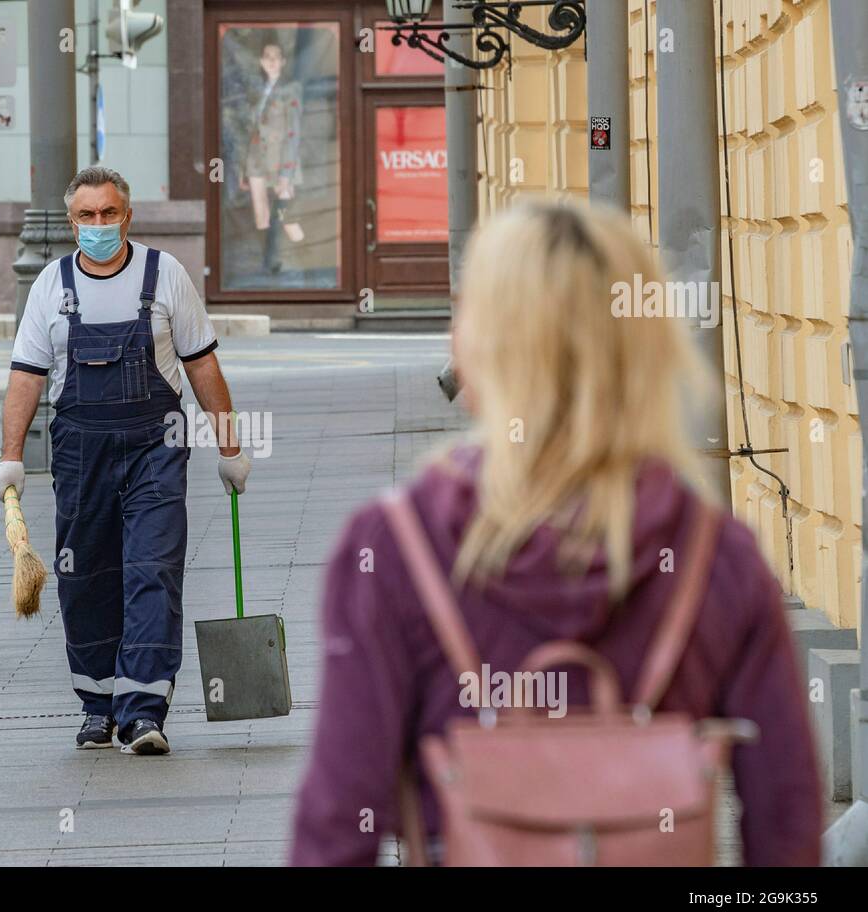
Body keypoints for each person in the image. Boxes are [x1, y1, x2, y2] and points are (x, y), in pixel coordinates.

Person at [290, 201, 821, 866]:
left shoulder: (396, 548)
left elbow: (339, 824)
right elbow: (786, 822)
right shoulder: (716, 556)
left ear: (481, 348)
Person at [0, 166, 252, 755]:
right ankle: (97, 703)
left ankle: (142, 712)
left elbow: (202, 365)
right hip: (80, 452)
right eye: (87, 216)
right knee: (83, 577)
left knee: (152, 571)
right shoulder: (50, 287)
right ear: (71, 223)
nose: (99, 225)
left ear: (127, 216)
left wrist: (230, 447)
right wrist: (10, 460)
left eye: (109, 214)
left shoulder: (165, 276)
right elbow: (26, 379)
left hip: (154, 447)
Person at [237, 39, 304, 275]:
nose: (272, 62)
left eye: (276, 57)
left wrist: (286, 172)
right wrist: (244, 172)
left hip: (280, 162)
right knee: (262, 217)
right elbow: (251, 132)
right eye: (267, 57)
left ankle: (298, 255)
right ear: (261, 61)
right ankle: (269, 261)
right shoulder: (259, 92)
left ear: (283, 62)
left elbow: (293, 132)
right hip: (256, 163)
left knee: (285, 214)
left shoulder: (291, 90)